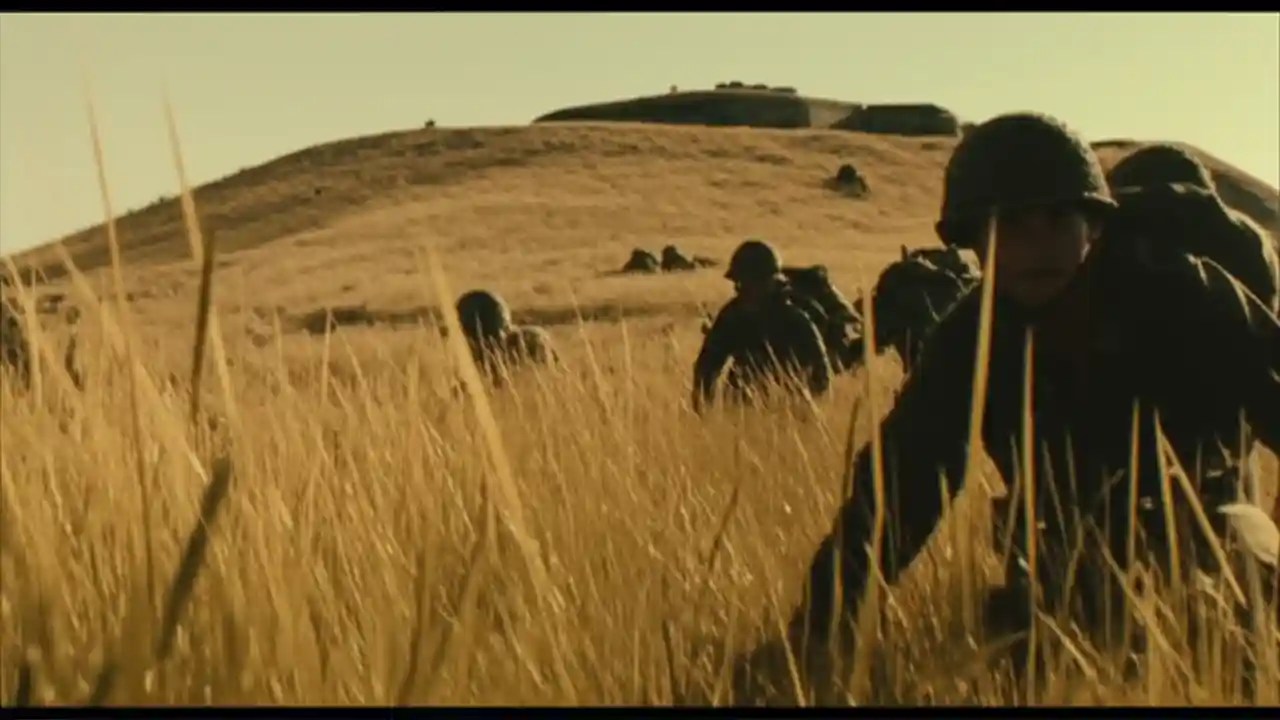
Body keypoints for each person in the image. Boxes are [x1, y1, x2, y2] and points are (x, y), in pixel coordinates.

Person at [769, 112, 1279, 697]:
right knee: (1021, 660)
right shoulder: (972, 339)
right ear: (975, 241)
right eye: (1011, 225)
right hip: (1062, 555)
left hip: (1210, 534)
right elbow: (902, 484)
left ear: (1094, 226)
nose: (1038, 245)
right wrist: (817, 629)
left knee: (1239, 620)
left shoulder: (1184, 293)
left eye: (1058, 219)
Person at [692, 239, 831, 414]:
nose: (739, 289)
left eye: (747, 283)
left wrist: (796, 404)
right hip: (740, 408)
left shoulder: (795, 320)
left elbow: (821, 377)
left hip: (788, 411)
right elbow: (707, 365)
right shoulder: (733, 315)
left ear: (768, 282)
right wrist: (703, 408)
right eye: (738, 283)